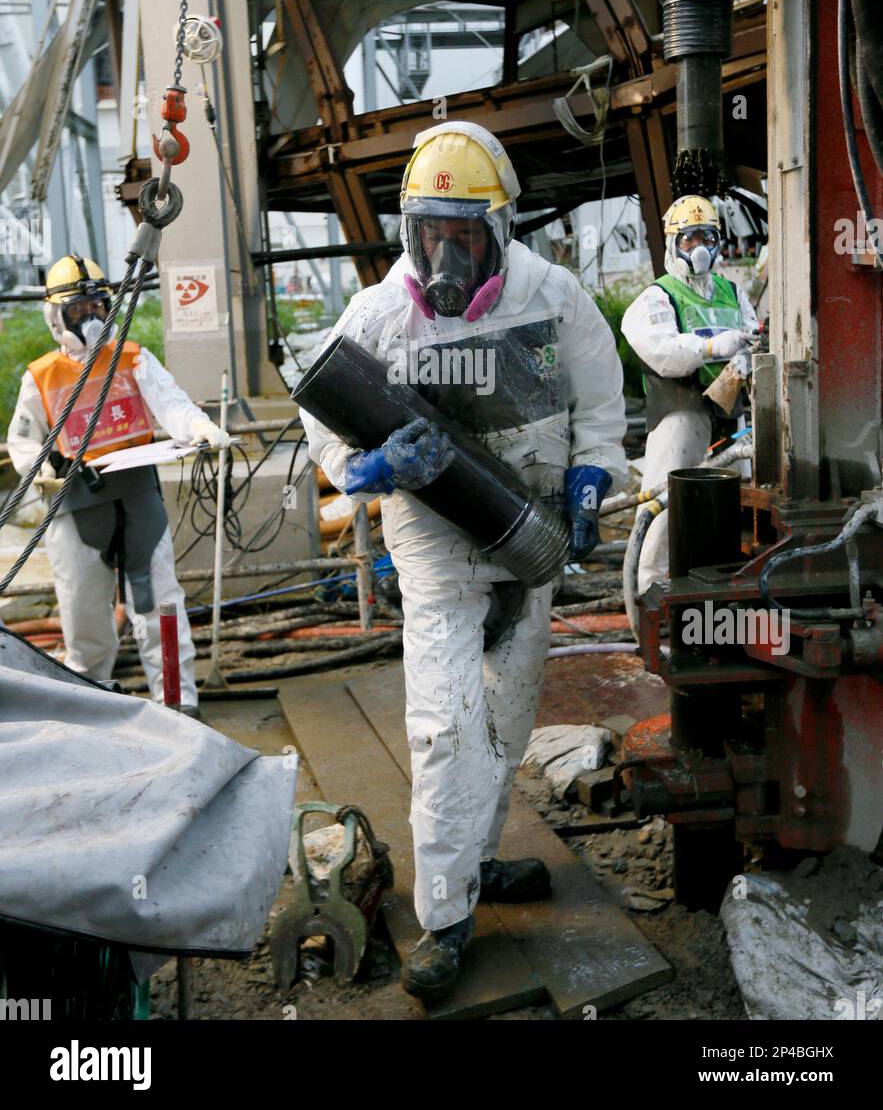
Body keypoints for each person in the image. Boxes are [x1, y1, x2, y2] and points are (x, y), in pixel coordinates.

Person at [300, 122, 628, 1002]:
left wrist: (591, 480)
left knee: (505, 724)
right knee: (445, 726)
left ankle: (475, 866)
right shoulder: (379, 315)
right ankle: (445, 917)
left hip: (529, 536)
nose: (446, 255)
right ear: (410, 230)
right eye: (430, 233)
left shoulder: (553, 298)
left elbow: (600, 403)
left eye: (465, 235)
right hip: (438, 544)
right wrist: (367, 471)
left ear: (501, 228)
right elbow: (325, 428)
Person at [6, 254, 230, 712]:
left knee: (158, 604)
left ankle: (177, 703)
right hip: (75, 504)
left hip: (137, 497)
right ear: (56, 317)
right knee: (83, 615)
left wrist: (199, 428)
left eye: (96, 308)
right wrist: (42, 474)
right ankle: (91, 707)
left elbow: (172, 403)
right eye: (77, 311)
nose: (89, 319)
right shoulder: (41, 376)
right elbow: (22, 439)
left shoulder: (131, 358)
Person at [621, 195, 758, 593]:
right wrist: (713, 347)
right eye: (689, 238)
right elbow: (662, 352)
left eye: (708, 237)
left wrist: (749, 353)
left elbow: (753, 334)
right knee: (663, 514)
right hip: (681, 418)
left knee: (730, 513)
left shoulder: (733, 292)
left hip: (731, 419)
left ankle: (715, 600)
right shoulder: (657, 297)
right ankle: (649, 602)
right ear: (673, 244)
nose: (700, 248)